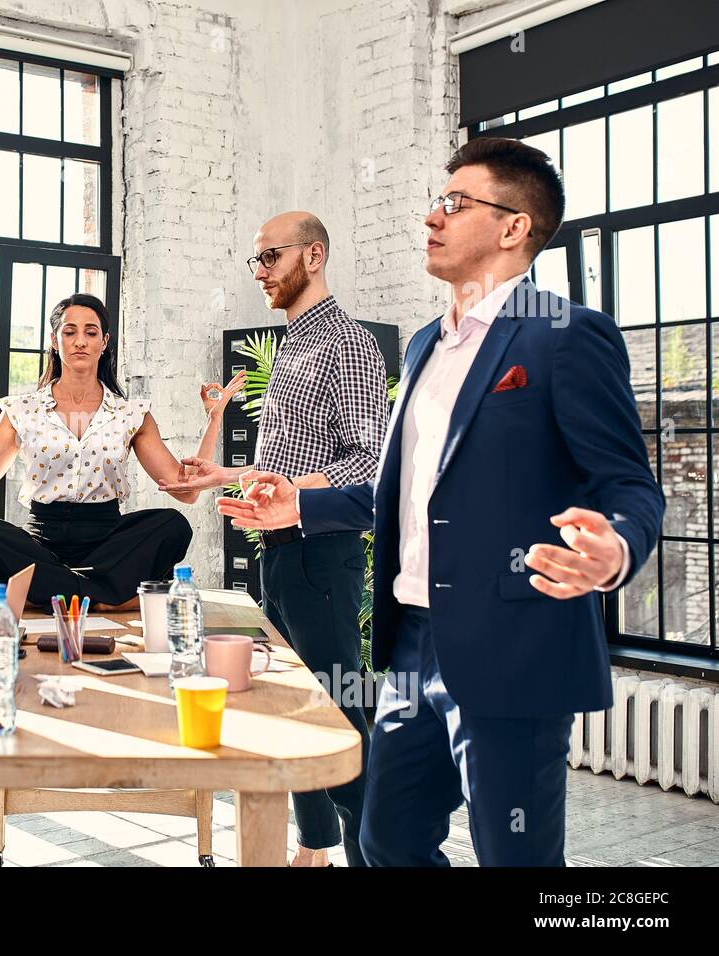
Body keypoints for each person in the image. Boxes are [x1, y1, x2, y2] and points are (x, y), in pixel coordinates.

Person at [217, 138, 665, 866]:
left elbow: (632, 486)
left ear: (514, 227)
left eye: (455, 203)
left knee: (513, 857)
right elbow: (401, 493)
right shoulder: (426, 344)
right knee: (387, 840)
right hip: (414, 647)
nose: (433, 215)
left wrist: (614, 549)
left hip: (515, 649)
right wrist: (297, 510)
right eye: (437, 199)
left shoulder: (567, 337)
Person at [160, 212, 387, 868]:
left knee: (337, 719)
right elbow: (293, 465)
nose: (259, 271)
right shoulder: (293, 342)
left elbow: (369, 461)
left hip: (324, 557)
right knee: (293, 707)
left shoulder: (346, 343)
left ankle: (381, 854)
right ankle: (314, 847)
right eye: (255, 260)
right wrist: (228, 474)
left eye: (271, 257)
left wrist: (289, 496)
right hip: (282, 556)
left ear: (314, 255)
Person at [0, 293, 242, 610]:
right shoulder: (22, 410)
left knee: (172, 525)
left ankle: (51, 593)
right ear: (55, 342)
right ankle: (102, 596)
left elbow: (185, 491)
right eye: (69, 332)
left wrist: (214, 419)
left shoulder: (131, 414)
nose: (80, 341)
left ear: (104, 341)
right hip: (42, 542)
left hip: (107, 544)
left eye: (91, 332)